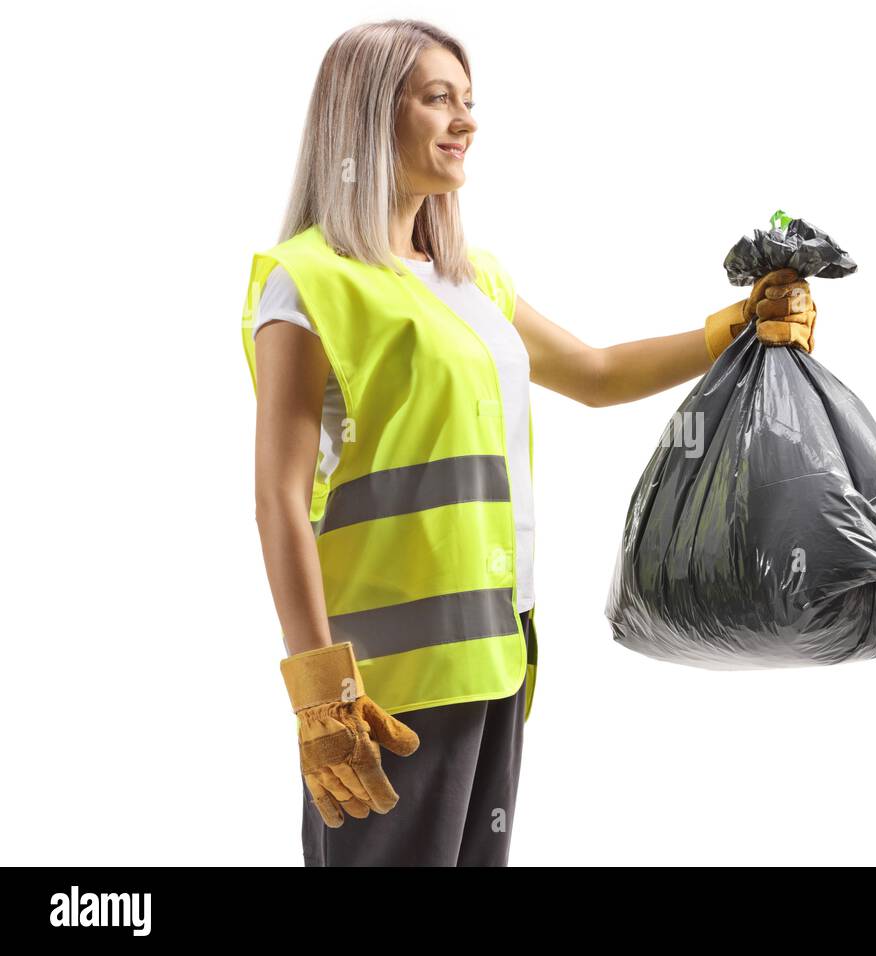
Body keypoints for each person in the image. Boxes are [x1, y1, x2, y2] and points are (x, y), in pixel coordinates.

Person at [241, 18, 818, 867]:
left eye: (469, 101)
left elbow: (594, 373)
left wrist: (739, 327)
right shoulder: (311, 280)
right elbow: (277, 500)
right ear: (366, 114)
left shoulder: (472, 280)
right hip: (384, 691)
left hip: (500, 657)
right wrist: (321, 694)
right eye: (438, 99)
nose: (466, 121)